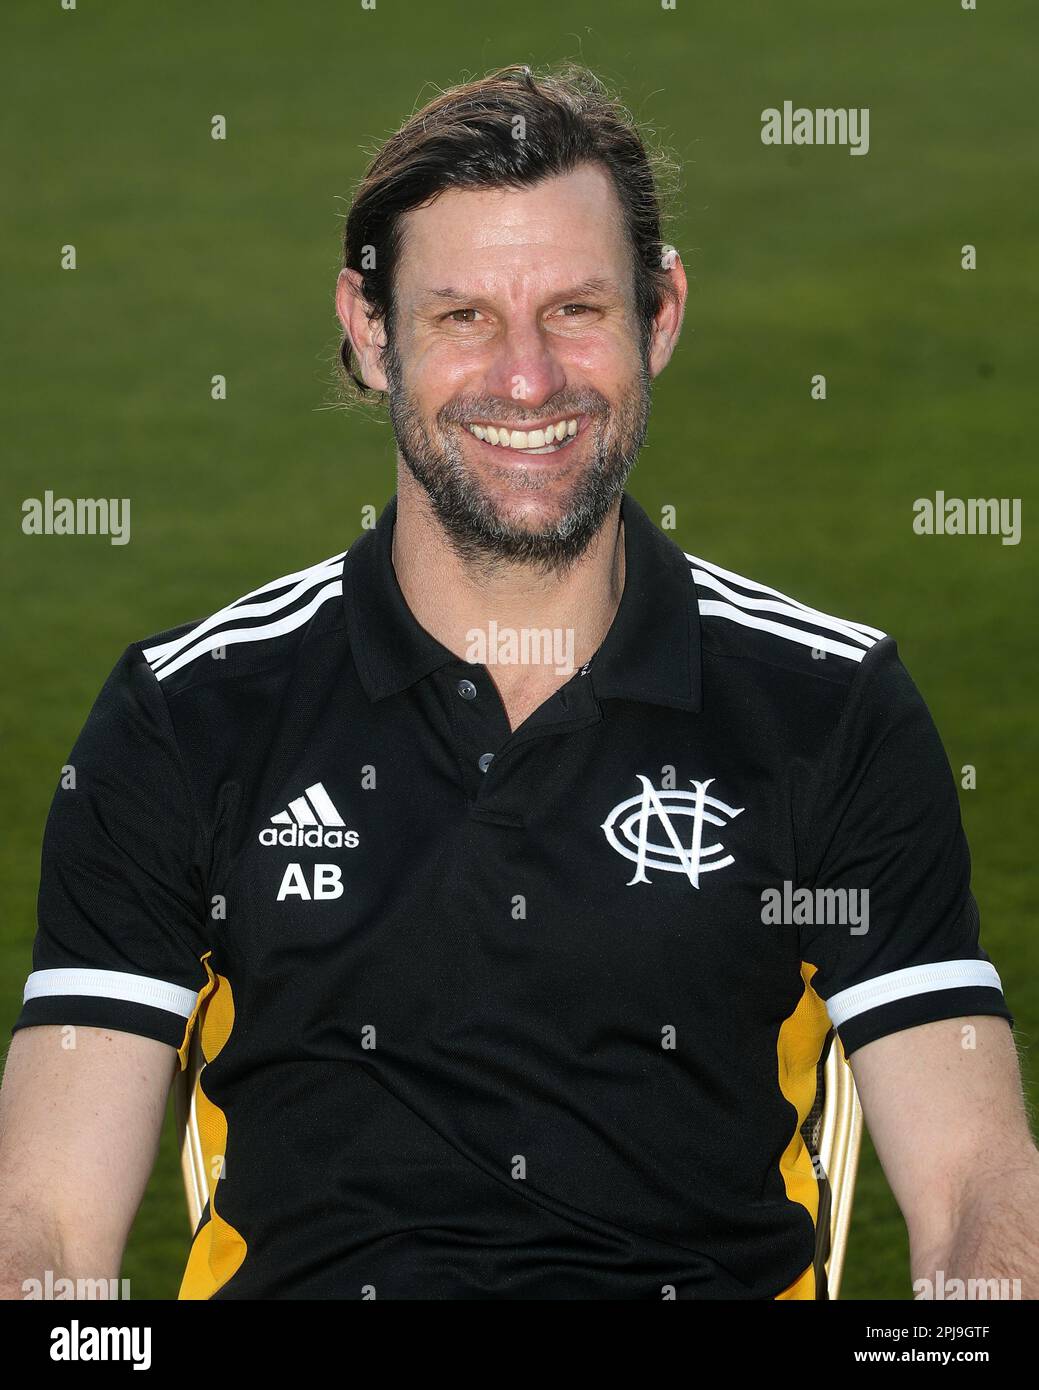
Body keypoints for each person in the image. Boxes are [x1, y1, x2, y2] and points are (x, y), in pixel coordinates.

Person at [2, 64, 1035, 1301]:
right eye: (463, 317)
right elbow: (44, 1226)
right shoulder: (188, 714)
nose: (530, 379)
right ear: (369, 329)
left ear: (660, 316)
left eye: (575, 310)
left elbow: (980, 1179)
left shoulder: (827, 706)